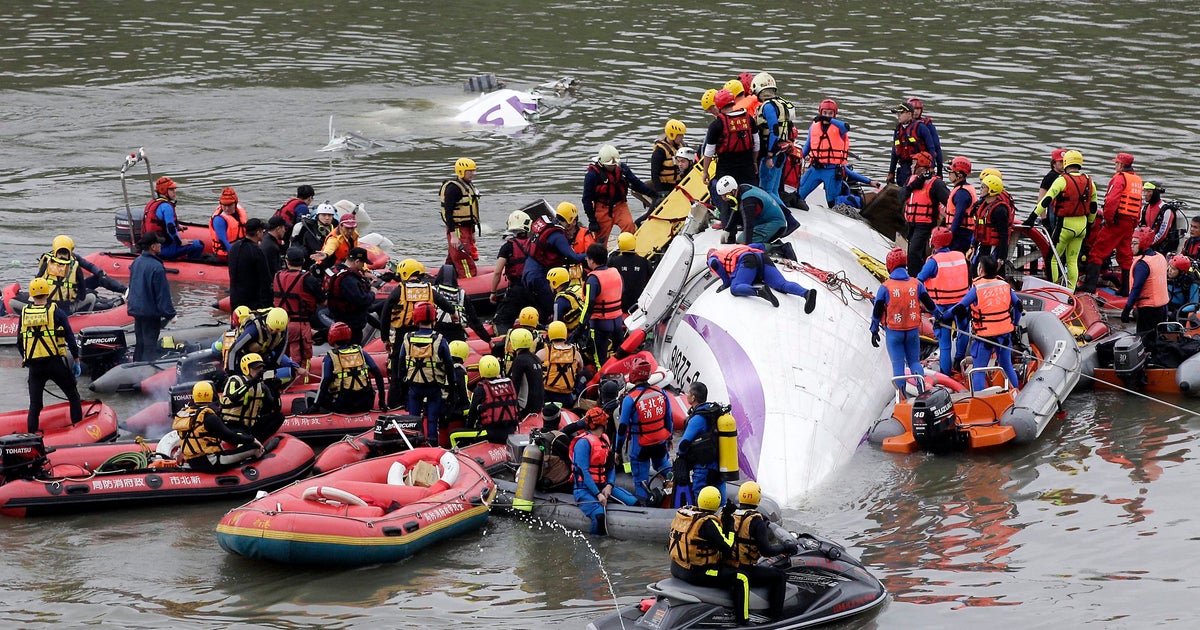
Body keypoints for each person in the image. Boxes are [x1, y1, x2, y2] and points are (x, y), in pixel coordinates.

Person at [939, 255, 1023, 392]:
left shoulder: (977, 288)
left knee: (978, 370)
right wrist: (1015, 324)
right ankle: (1017, 393)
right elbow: (1018, 307)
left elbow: (960, 307)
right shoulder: (1004, 285)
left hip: (985, 336)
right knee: (1006, 365)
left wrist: (942, 317)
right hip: (1005, 335)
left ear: (981, 270)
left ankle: (981, 400)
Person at [668, 486, 748, 625]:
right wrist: (730, 524)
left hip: (676, 567)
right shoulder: (708, 523)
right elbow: (728, 547)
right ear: (717, 503)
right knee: (741, 578)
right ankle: (744, 621)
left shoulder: (687, 514)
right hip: (696, 572)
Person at [871, 248, 940, 397]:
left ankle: (901, 397)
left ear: (889, 266)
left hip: (894, 333)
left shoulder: (885, 287)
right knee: (914, 362)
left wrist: (874, 329)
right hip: (912, 332)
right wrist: (939, 316)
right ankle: (923, 392)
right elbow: (930, 304)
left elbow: (877, 311)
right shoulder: (916, 284)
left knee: (898, 366)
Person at [19, 277, 83, 433]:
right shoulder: (56, 311)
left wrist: (25, 358)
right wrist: (76, 359)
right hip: (54, 364)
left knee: (35, 406)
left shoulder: (25, 312)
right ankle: (80, 434)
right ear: (47, 293)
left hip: (34, 367)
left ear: (32, 295)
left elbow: (20, 341)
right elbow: (69, 336)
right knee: (73, 396)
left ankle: (31, 438)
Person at [725, 482, 796, 621]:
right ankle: (776, 617)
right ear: (758, 499)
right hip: (744, 568)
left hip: (728, 566)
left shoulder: (731, 515)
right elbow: (766, 551)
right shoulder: (756, 522)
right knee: (779, 576)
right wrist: (786, 547)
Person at [1028, 149, 1097, 291]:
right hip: (1082, 227)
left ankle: (1056, 290)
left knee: (1052, 258)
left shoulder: (1062, 180)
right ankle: (1071, 291)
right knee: (1072, 260)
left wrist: (1032, 217)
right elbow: (1094, 207)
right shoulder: (1090, 181)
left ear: (1066, 163)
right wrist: (1089, 224)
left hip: (1065, 226)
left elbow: (1046, 200)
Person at [572, 407, 638, 535]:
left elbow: (610, 466)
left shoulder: (604, 439)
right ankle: (597, 545)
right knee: (599, 516)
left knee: (634, 502)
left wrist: (609, 485)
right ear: (602, 423)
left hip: (603, 485)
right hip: (583, 489)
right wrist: (598, 494)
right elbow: (583, 471)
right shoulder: (583, 443)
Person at [617, 357, 673, 504]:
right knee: (663, 466)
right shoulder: (661, 393)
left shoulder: (630, 399)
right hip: (660, 442)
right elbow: (669, 420)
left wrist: (617, 450)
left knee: (640, 480)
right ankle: (675, 490)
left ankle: (645, 506)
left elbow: (622, 428)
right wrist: (670, 438)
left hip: (640, 447)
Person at [396, 302, 454, 444]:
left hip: (414, 386)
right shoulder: (440, 340)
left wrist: (402, 383)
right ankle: (433, 446)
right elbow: (449, 365)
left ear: (415, 318)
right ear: (434, 319)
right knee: (433, 419)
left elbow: (401, 363)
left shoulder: (408, 338)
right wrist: (452, 386)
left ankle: (414, 446)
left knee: (413, 419)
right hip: (434, 387)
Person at [1086, 152, 1144, 296]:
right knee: (1125, 255)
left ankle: (1089, 286)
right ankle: (1125, 288)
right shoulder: (1137, 180)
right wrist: (1135, 222)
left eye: (1116, 163)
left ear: (1121, 165)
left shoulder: (1119, 179)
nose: (1115, 166)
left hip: (1117, 221)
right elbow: (1139, 204)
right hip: (1130, 222)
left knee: (1097, 252)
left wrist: (1109, 219)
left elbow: (1112, 200)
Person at [23, 235, 126, 315]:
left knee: (92, 290)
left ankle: (117, 296)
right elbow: (82, 296)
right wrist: (100, 274)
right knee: (92, 297)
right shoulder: (75, 265)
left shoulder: (47, 262)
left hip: (49, 303)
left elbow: (36, 283)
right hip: (67, 307)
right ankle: (121, 296)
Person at [174, 381, 262, 473]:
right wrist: (252, 439)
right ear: (212, 395)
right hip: (212, 462)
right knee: (255, 447)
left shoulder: (185, 415)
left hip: (192, 462)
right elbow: (232, 438)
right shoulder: (209, 417)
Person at [701, 89, 760, 226]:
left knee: (726, 195)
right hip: (747, 166)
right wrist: (754, 161)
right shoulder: (749, 119)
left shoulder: (717, 125)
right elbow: (756, 144)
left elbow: (709, 151)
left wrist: (705, 171)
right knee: (748, 193)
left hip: (726, 167)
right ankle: (749, 222)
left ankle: (728, 224)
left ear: (719, 106)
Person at [919, 228, 971, 376]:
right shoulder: (960, 256)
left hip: (941, 308)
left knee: (945, 343)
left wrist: (925, 302)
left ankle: (946, 374)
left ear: (934, 242)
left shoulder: (933, 262)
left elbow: (918, 282)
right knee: (963, 332)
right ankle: (959, 359)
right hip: (962, 305)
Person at [707, 243, 818, 310]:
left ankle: (760, 291)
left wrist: (726, 283)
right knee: (782, 284)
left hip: (747, 261)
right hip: (762, 257)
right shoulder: (733, 247)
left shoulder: (712, 257)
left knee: (735, 288)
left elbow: (714, 264)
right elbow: (759, 246)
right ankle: (806, 293)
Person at [582, 145, 655, 247]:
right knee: (601, 240)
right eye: (609, 165)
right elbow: (586, 199)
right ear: (602, 163)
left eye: (614, 164)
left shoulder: (622, 169)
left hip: (620, 206)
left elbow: (636, 183)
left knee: (629, 227)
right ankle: (601, 259)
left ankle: (625, 251)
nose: (612, 167)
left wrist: (653, 194)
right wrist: (592, 220)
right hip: (602, 208)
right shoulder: (592, 176)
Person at [524, 210, 588, 319]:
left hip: (527, 272)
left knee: (541, 309)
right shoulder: (557, 236)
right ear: (569, 221)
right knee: (551, 308)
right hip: (538, 277)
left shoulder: (549, 224)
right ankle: (555, 331)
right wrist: (591, 254)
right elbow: (574, 257)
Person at [314, 322, 386, 414]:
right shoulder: (361, 352)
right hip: (365, 404)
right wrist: (382, 400)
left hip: (343, 405)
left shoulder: (330, 357)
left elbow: (325, 382)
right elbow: (378, 375)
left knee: (311, 394)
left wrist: (315, 406)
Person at [675, 381, 725, 507]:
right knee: (721, 501)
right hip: (719, 465)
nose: (686, 395)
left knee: (701, 501)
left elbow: (683, 444)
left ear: (693, 398)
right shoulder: (714, 413)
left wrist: (681, 457)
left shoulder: (697, 418)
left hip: (703, 468)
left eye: (688, 393)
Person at [127, 232, 176, 362]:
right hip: (150, 314)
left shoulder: (136, 262)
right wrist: (171, 314)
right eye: (158, 243)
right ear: (153, 247)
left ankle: (135, 366)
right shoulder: (157, 268)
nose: (161, 245)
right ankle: (147, 371)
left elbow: (132, 286)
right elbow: (162, 295)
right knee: (150, 346)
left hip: (137, 311)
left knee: (140, 343)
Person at [273, 247, 324, 367]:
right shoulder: (308, 279)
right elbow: (323, 302)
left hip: (279, 325)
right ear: (303, 261)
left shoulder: (277, 276)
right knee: (301, 361)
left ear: (287, 261)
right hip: (300, 326)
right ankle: (300, 383)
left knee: (280, 358)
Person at [902, 151, 950, 276]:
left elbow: (949, 201)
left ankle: (914, 280)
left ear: (922, 167)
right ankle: (919, 274)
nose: (911, 166)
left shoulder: (936, 183)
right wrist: (915, 184)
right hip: (911, 224)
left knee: (913, 253)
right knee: (915, 252)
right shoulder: (911, 180)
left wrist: (946, 221)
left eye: (914, 164)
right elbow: (901, 196)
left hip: (925, 224)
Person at [222, 307, 304, 379]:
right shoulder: (254, 329)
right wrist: (231, 374)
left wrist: (271, 373)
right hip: (244, 358)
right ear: (267, 322)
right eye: (272, 329)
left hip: (262, 358)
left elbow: (280, 353)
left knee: (285, 373)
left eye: (277, 331)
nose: (274, 332)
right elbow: (234, 350)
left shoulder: (282, 330)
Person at [798, 97, 851, 209]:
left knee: (832, 202)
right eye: (824, 113)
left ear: (835, 114)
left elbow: (847, 127)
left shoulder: (840, 128)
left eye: (830, 113)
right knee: (799, 193)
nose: (827, 115)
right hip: (815, 169)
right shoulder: (814, 127)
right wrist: (798, 157)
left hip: (832, 171)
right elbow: (808, 146)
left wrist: (827, 119)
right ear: (820, 112)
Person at [220, 352, 285, 442]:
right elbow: (232, 398)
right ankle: (250, 444)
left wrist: (275, 390)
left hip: (251, 426)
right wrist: (252, 382)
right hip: (232, 425)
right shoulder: (235, 380)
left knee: (279, 417)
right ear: (246, 368)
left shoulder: (262, 386)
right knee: (241, 436)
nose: (259, 370)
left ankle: (258, 441)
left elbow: (276, 408)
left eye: (261, 367)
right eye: (256, 368)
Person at [751, 72, 794, 207]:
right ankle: (786, 218)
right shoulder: (781, 104)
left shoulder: (768, 106)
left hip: (772, 154)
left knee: (767, 191)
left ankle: (786, 218)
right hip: (781, 152)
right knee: (774, 190)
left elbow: (774, 129)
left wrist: (769, 155)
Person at [491, 210, 536, 336]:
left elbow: (497, 272)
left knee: (501, 321)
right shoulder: (535, 243)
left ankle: (503, 344)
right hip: (535, 289)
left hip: (517, 289)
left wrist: (493, 292)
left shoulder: (508, 247)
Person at [1122, 228, 1170, 336]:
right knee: (1159, 337)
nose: (1131, 246)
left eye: (1135, 243)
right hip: (1163, 307)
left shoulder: (1142, 264)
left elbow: (1137, 288)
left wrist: (1127, 309)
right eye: (1131, 243)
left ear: (1143, 243)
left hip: (1148, 310)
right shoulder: (1159, 256)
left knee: (1146, 340)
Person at [142, 176, 204, 260]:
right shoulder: (167, 207)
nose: (174, 192)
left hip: (152, 246)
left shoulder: (152, 203)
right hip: (162, 248)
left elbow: (160, 223)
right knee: (199, 244)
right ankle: (190, 264)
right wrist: (180, 242)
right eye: (171, 190)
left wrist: (177, 226)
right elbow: (170, 228)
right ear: (164, 190)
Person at [582, 244, 625, 366]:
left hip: (600, 324)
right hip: (617, 322)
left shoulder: (593, 279)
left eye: (587, 258)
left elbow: (588, 305)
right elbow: (622, 290)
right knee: (620, 355)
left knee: (599, 360)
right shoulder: (615, 272)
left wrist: (580, 327)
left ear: (592, 260)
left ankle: (602, 382)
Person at [717, 177, 790, 245]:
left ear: (733, 191)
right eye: (721, 196)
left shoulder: (748, 201)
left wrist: (746, 247)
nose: (723, 199)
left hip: (776, 224)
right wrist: (727, 230)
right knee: (744, 238)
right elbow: (736, 211)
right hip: (769, 221)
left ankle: (778, 248)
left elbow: (748, 224)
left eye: (725, 195)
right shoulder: (741, 189)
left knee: (741, 241)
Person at [441, 157, 481, 278]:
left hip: (467, 227)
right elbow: (448, 213)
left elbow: (471, 212)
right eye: (470, 171)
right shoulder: (453, 188)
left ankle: (447, 277)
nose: (473, 174)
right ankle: (469, 280)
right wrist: (453, 235)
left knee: (452, 257)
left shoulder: (468, 186)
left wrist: (472, 232)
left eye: (474, 171)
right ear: (461, 171)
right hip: (457, 229)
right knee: (463, 257)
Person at [326, 247, 375, 344]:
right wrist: (372, 293)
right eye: (363, 263)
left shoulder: (335, 270)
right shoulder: (348, 278)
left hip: (337, 317)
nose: (363, 266)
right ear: (357, 261)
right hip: (351, 324)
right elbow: (362, 300)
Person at [468, 354, 521, 445]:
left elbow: (472, 414)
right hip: (511, 430)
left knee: (453, 434)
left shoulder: (480, 389)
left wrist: (468, 429)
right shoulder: (509, 384)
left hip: (491, 433)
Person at [432, 264, 491, 344]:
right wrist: (488, 340)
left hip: (437, 332)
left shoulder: (432, 291)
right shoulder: (462, 294)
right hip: (457, 334)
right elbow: (474, 320)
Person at [887, 102, 938, 188]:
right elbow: (894, 152)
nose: (898, 116)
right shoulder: (898, 130)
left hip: (918, 167)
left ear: (909, 114)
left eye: (901, 113)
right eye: (897, 113)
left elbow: (931, 148)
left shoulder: (921, 128)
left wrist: (931, 167)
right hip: (904, 168)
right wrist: (891, 172)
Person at [227, 217, 273, 311]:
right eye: (263, 231)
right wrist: (268, 304)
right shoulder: (257, 251)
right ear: (258, 233)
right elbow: (265, 279)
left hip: (235, 297)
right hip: (252, 301)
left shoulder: (234, 247)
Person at [971, 173, 1015, 269]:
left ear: (991, 190)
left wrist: (1001, 258)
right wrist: (973, 246)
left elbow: (1004, 235)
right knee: (974, 271)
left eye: (984, 187)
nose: (981, 189)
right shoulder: (983, 205)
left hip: (993, 248)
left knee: (988, 272)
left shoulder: (999, 210)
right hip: (982, 245)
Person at [537, 321, 584, 408]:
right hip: (567, 399)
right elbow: (580, 369)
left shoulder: (543, 353)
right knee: (583, 377)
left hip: (547, 397)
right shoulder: (575, 353)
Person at [507, 327, 545, 418]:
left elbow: (515, 386)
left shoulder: (519, 360)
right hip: (539, 405)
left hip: (525, 408)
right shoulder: (535, 358)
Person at [609, 232, 652, 313]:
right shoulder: (644, 262)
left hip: (619, 303)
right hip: (638, 303)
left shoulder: (613, 261)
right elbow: (653, 278)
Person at [493, 306, 545, 371]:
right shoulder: (538, 338)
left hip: (509, 372)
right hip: (528, 374)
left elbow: (497, 348)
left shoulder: (511, 333)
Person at [944, 156, 978, 253]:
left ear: (959, 174)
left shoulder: (961, 193)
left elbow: (958, 217)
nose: (949, 174)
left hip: (961, 235)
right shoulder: (963, 189)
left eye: (951, 171)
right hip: (963, 233)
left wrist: (950, 234)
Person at [650, 119, 687, 202]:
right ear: (672, 135)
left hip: (679, 184)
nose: (682, 138)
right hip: (665, 187)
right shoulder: (660, 151)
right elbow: (654, 174)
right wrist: (661, 194)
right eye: (680, 135)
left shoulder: (683, 146)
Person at [1142, 182, 1184, 255]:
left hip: (1162, 248)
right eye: (1144, 191)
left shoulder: (1166, 210)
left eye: (1149, 191)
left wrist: (1148, 244)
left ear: (1156, 193)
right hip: (1148, 245)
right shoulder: (1145, 208)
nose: (1145, 194)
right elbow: (1140, 225)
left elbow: (1162, 233)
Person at [905, 98, 943, 177]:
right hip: (907, 163)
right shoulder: (902, 126)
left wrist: (937, 169)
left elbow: (936, 147)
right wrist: (891, 171)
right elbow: (895, 150)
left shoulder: (927, 125)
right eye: (914, 109)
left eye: (918, 109)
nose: (916, 111)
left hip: (923, 163)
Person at [209, 187, 247, 262]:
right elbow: (224, 242)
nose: (226, 208)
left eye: (229, 205)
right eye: (224, 205)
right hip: (225, 255)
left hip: (240, 246)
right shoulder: (219, 220)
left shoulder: (239, 212)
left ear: (235, 203)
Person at [273, 184, 316, 248]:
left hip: (278, 229)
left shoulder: (292, 202)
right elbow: (301, 227)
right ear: (310, 197)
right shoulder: (303, 208)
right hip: (286, 234)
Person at [1036, 149, 1067, 234]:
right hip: (1053, 216)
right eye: (1060, 162)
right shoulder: (1050, 177)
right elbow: (1041, 199)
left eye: (1065, 161)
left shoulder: (1067, 176)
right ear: (1053, 163)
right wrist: (1044, 219)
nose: (1063, 164)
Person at [549, 266, 586, 333]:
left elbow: (555, 326)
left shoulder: (560, 301)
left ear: (554, 283)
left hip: (575, 335)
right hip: (587, 327)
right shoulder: (578, 289)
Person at [1166, 255, 1200, 322]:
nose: (1170, 271)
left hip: (1180, 312)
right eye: (1170, 267)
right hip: (1166, 307)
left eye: (1174, 269)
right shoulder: (1167, 276)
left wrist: (1178, 312)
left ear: (1182, 272)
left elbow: (1194, 305)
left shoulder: (1191, 283)